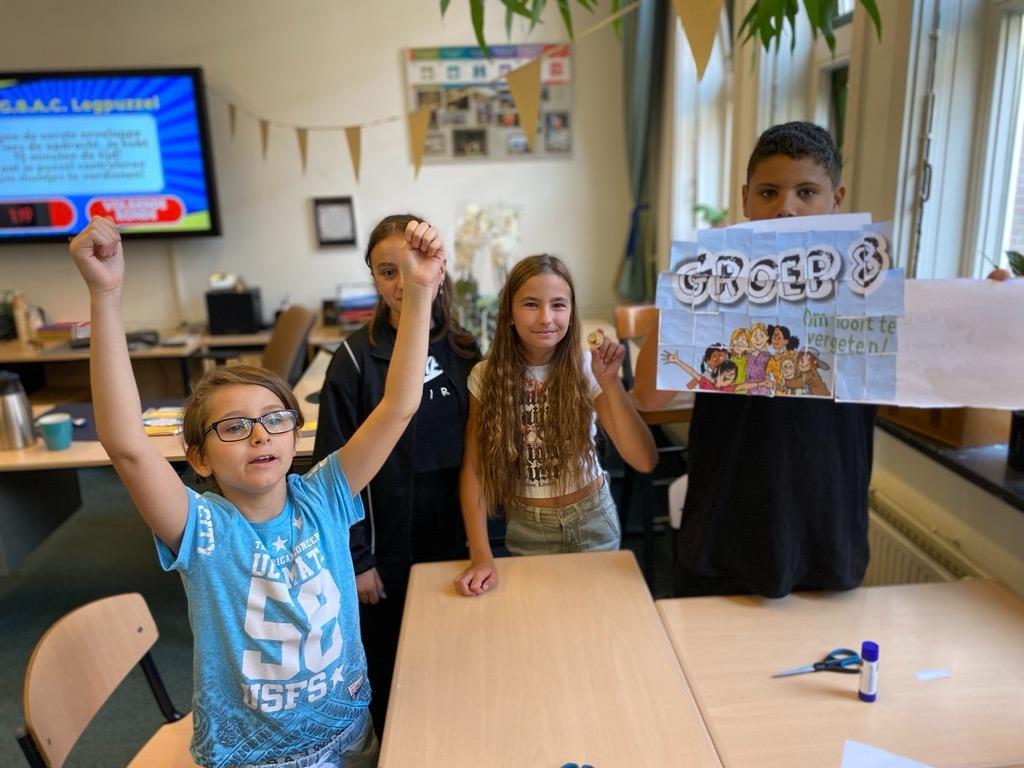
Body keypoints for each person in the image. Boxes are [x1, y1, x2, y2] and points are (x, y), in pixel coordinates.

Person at [69, 215, 445, 767]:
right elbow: (126, 443)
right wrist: (107, 295)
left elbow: (400, 404)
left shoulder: (326, 496)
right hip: (254, 760)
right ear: (198, 456)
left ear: (297, 433)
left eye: (274, 418)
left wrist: (419, 292)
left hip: (350, 739)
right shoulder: (202, 530)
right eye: (234, 426)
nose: (261, 434)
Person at [634, 121, 878, 599]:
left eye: (807, 191)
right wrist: (688, 291)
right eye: (769, 192)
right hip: (725, 535)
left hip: (826, 538)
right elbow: (648, 395)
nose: (786, 206)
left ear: (837, 198)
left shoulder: (870, 290)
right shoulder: (716, 285)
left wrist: (989, 303)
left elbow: (939, 365)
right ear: (746, 200)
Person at [312, 213, 479, 734]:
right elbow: (331, 476)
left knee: (456, 657)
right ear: (374, 278)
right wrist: (357, 560)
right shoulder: (353, 362)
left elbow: (481, 455)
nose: (402, 283)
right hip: (387, 547)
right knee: (390, 666)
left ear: (438, 271)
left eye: (411, 269)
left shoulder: (464, 349)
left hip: (452, 534)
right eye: (387, 272)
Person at [455, 254, 658, 597]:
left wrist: (610, 382)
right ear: (509, 313)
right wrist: (481, 555)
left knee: (596, 628)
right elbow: (474, 471)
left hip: (592, 520)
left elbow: (644, 460)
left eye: (558, 305)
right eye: (531, 304)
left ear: (571, 311)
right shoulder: (484, 376)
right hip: (528, 528)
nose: (546, 318)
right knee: (540, 630)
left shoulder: (585, 366)